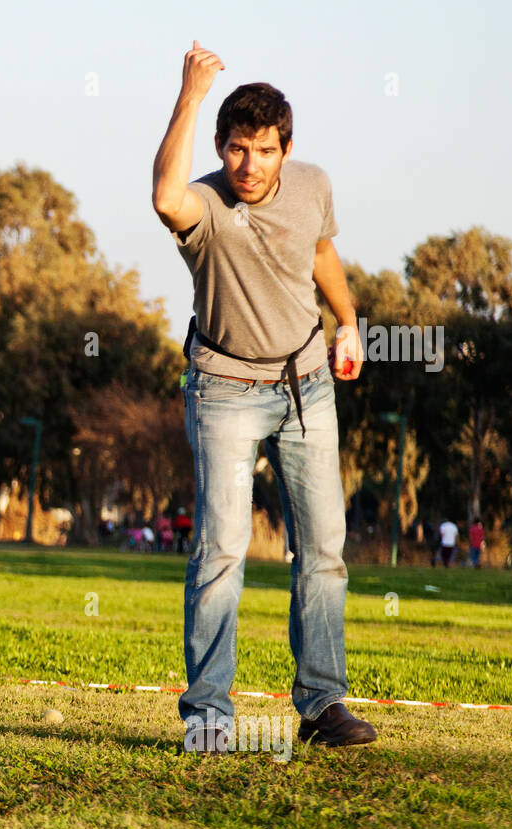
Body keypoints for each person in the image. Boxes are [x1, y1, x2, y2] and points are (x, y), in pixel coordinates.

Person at [153, 43, 375, 752]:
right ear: (221, 147)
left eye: (265, 150)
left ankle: (321, 706)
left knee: (325, 550)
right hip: (223, 389)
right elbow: (163, 196)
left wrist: (348, 323)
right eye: (238, 149)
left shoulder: (312, 185)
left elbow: (319, 254)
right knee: (221, 551)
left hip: (306, 384)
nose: (251, 165)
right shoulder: (206, 206)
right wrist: (189, 96)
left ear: (287, 149)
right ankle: (210, 716)